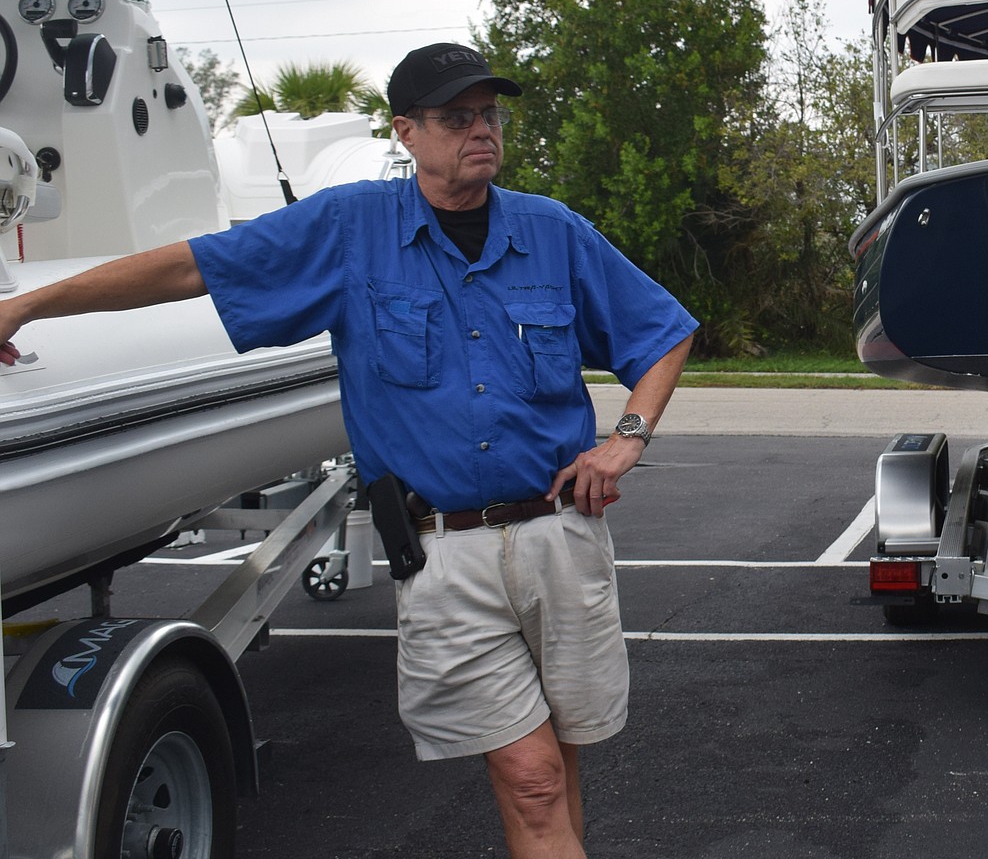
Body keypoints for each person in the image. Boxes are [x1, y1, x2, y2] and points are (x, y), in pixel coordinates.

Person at [0, 43, 697, 858]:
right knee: (533, 775)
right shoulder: (348, 228)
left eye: (490, 115)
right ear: (406, 131)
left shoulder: (554, 232)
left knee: (558, 771)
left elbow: (664, 332)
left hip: (563, 540)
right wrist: (29, 308)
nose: (481, 131)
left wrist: (627, 439)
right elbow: (190, 270)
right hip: (447, 552)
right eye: (456, 117)